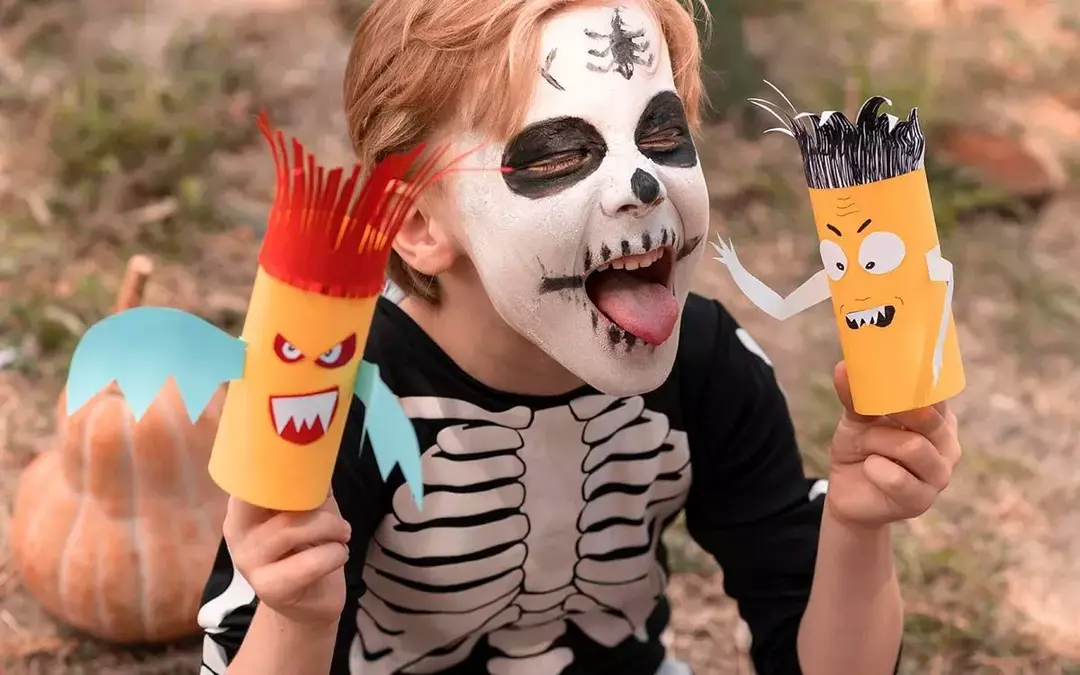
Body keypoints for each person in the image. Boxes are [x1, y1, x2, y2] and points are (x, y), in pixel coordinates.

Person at [197, 0, 962, 673]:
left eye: (663, 136)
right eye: (560, 153)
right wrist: (296, 615)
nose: (644, 185)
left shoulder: (707, 364)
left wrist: (859, 529)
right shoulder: (336, 397)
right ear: (420, 225)